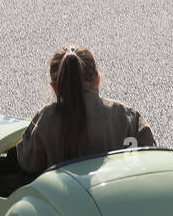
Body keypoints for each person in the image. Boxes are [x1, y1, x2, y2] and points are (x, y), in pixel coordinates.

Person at [16, 46, 156, 173]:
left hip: (63, 199)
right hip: (115, 198)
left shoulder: (45, 119)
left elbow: (27, 163)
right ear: (97, 80)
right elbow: (152, 158)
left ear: (55, 87)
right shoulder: (125, 116)